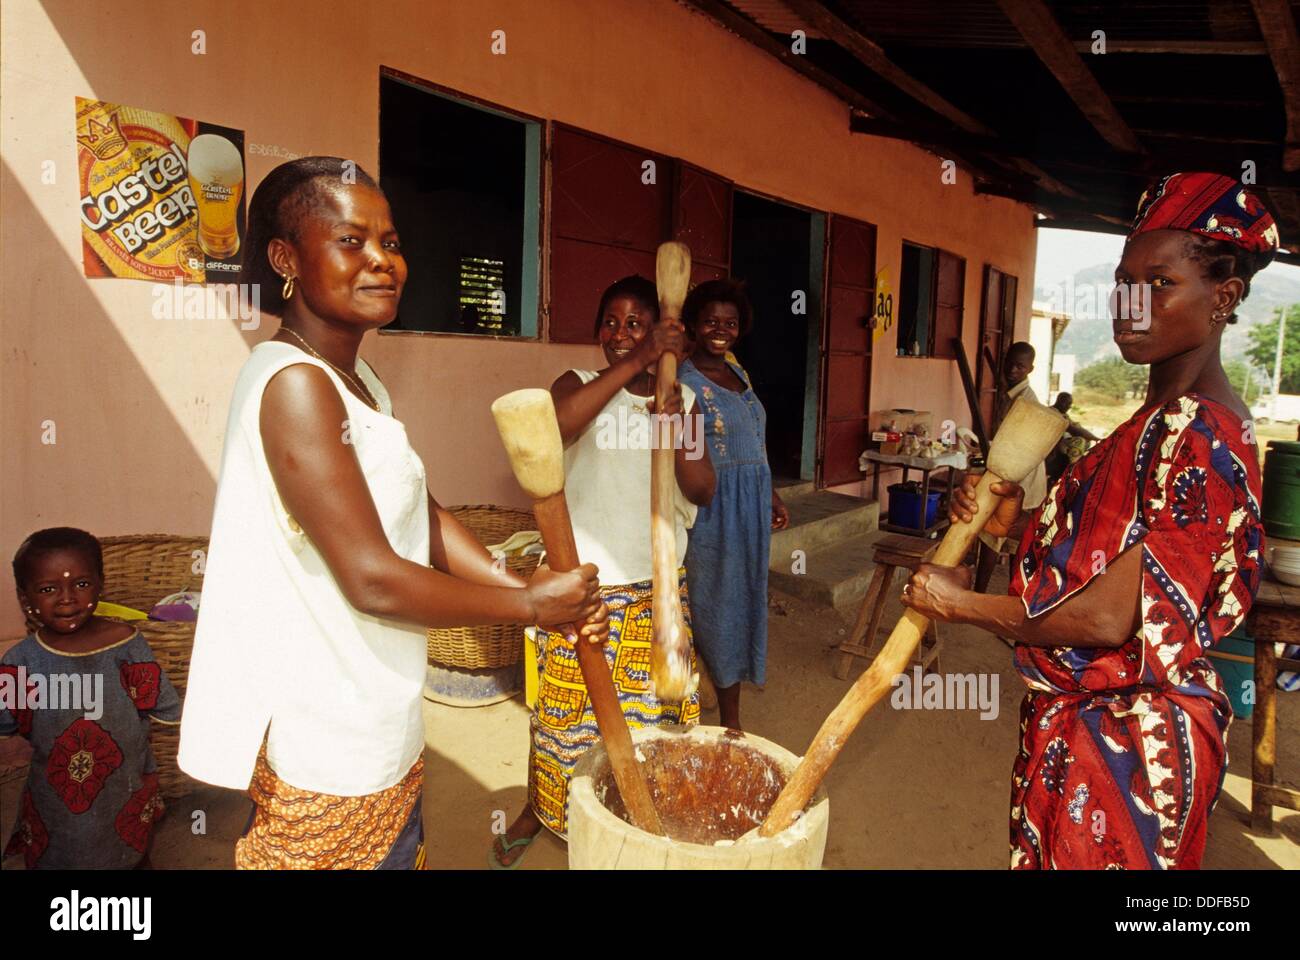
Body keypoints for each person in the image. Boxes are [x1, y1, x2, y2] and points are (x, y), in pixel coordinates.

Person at [178, 157, 607, 870]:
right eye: (352, 242)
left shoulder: (358, 380)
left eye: (393, 242)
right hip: (329, 746)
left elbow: (424, 514)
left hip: (382, 718)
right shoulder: (295, 388)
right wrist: (531, 606)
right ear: (286, 258)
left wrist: (530, 588)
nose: (384, 261)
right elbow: (372, 578)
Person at [902, 172, 1274, 869]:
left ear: (1223, 297)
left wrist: (960, 605)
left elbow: (1110, 617)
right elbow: (1117, 545)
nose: (1129, 303)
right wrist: (1017, 523)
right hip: (1083, 728)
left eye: (1159, 284)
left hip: (1130, 750)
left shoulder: (1204, 438)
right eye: (1122, 280)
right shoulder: (1156, 422)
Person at [491, 275, 716, 867]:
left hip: (655, 590)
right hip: (579, 587)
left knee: (648, 728)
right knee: (562, 722)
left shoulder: (682, 400)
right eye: (611, 323)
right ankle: (541, 812)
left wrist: (675, 428)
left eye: (637, 323)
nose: (621, 333)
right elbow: (556, 426)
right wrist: (641, 358)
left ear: (665, 332)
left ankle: (637, 822)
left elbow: (703, 489)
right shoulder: (579, 385)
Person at [2, 528, 182, 869]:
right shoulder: (20, 662)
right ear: (25, 598)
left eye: (82, 584)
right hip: (56, 795)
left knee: (131, 851)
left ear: (101, 584)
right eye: (47, 589)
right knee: (58, 853)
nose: (67, 598)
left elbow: (162, 704)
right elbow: (6, 720)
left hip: (127, 783)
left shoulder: (126, 643)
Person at [676, 279, 788, 731]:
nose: (720, 330)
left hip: (750, 508)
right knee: (716, 607)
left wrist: (771, 492)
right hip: (713, 512)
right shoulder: (683, 383)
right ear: (692, 326)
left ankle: (724, 711)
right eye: (710, 321)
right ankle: (730, 723)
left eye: (730, 323)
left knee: (742, 603)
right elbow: (677, 458)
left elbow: (753, 442)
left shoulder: (739, 373)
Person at [973, 341, 1048, 593]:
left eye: (1020, 366)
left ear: (1030, 369)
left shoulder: (1027, 401)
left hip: (1020, 478)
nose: (1013, 370)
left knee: (997, 539)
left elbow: (1020, 448)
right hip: (1017, 475)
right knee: (1003, 540)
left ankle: (986, 595)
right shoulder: (1011, 395)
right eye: (1010, 364)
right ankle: (995, 595)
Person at [1044, 392, 1100, 484]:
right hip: (1052, 444)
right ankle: (1072, 472)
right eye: (1068, 403)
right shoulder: (1052, 412)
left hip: (1060, 443)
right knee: (1079, 441)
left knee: (1085, 441)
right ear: (1060, 401)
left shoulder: (1063, 414)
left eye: (1070, 404)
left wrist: (1093, 438)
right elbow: (1073, 429)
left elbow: (1077, 428)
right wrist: (1096, 438)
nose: (1069, 407)